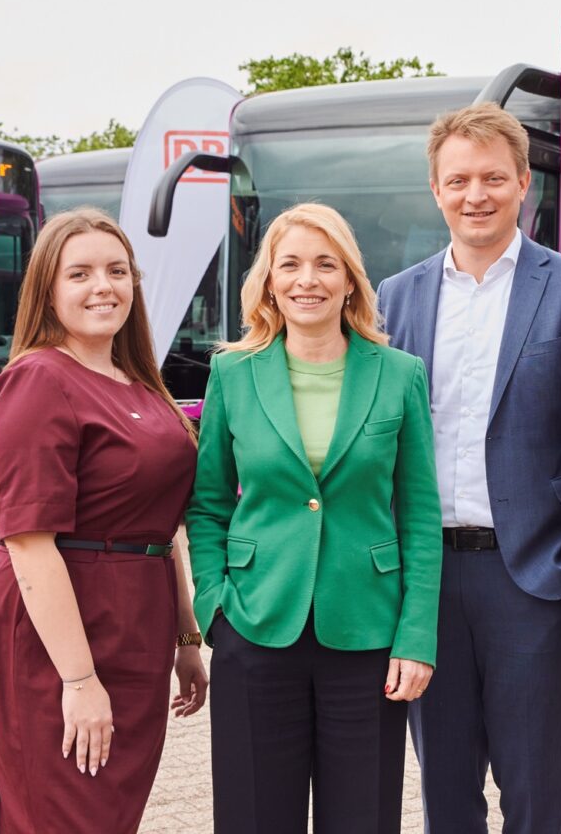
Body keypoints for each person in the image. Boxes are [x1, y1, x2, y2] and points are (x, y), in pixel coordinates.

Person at [377, 102, 561, 833]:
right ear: (435, 190)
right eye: (458, 180)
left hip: (531, 580)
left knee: (532, 790)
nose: (475, 195)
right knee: (445, 790)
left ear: (524, 184)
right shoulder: (395, 297)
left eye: (492, 178)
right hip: (426, 581)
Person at [188, 203, 442, 833]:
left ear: (349, 280)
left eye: (326, 265)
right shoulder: (232, 372)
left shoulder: (399, 374)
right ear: (269, 281)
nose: (308, 279)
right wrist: (213, 607)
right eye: (291, 265)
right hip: (254, 625)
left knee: (362, 818)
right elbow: (209, 502)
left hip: (366, 633)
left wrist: (415, 637)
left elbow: (419, 517)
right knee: (254, 818)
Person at [0, 208, 208, 834]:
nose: (103, 286)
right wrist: (78, 680)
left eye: (117, 271)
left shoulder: (138, 382)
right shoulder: (38, 379)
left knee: (109, 811)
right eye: (79, 273)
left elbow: (160, 527)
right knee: (64, 810)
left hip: (138, 620)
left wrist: (186, 640)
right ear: (47, 291)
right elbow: (29, 543)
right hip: (64, 623)